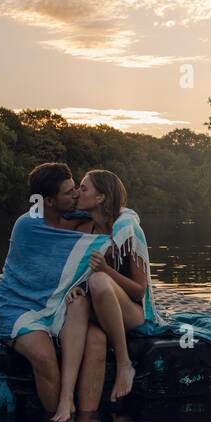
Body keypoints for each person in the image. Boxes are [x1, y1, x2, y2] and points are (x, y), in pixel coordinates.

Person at [0, 163, 109, 421]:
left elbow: (118, 217)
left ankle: (86, 420)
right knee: (44, 358)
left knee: (97, 339)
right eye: (69, 193)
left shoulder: (76, 218)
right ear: (49, 201)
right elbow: (47, 270)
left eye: (76, 188)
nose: (76, 195)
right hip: (20, 306)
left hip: (59, 306)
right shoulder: (28, 225)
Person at [69, 170, 148, 401]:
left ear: (101, 197)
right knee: (91, 331)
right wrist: (77, 288)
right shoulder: (83, 229)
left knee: (99, 280)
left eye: (84, 188)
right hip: (98, 306)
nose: (77, 193)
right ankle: (82, 415)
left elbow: (139, 290)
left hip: (130, 312)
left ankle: (125, 365)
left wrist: (106, 270)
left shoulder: (126, 231)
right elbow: (76, 274)